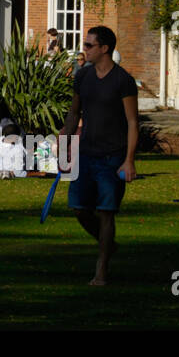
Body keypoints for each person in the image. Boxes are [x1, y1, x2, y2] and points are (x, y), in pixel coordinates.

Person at [59, 25, 138, 287]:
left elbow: (132, 122)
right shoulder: (83, 76)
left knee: (106, 213)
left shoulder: (123, 80)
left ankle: (101, 271)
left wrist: (129, 159)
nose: (84, 50)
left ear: (104, 48)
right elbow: (74, 113)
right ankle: (108, 245)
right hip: (86, 154)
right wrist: (64, 142)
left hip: (112, 158)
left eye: (89, 45)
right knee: (79, 209)